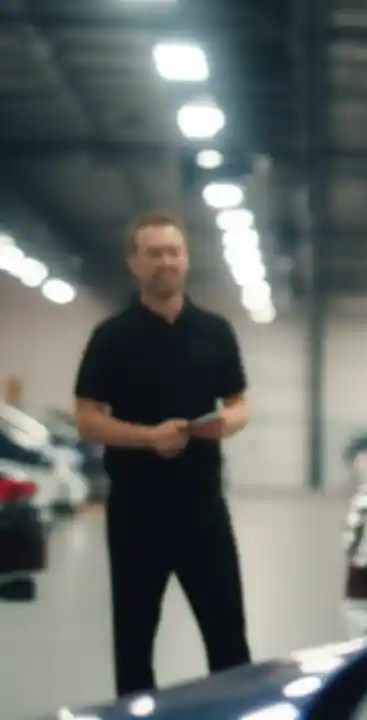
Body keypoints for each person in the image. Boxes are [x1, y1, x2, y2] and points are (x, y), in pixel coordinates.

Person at [73, 211, 252, 696]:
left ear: (186, 258)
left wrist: (223, 425)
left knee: (229, 641)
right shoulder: (112, 337)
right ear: (135, 263)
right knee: (133, 644)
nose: (165, 261)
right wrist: (148, 437)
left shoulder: (215, 331)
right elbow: (87, 416)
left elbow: (239, 403)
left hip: (203, 509)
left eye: (173, 251)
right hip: (136, 512)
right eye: (154, 253)